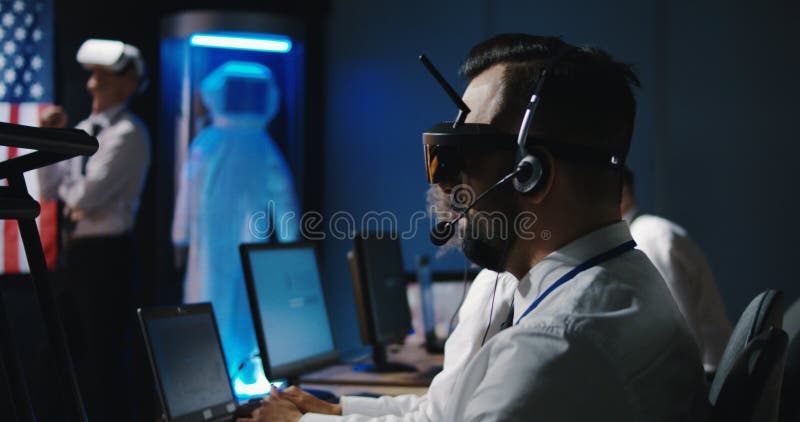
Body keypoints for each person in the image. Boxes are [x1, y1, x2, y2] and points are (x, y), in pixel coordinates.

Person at [243, 34, 709, 421]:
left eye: (461, 155)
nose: (443, 181)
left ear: (532, 174)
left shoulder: (559, 347)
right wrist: (335, 411)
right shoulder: (610, 286)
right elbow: (447, 414)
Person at [38, 39, 150, 419]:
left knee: (106, 357)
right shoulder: (83, 129)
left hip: (109, 255)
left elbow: (88, 197)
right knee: (63, 355)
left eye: (105, 74)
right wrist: (52, 142)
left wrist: (74, 198)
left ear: (129, 84)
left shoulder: (129, 134)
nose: (94, 82)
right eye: (93, 74)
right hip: (77, 255)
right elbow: (49, 188)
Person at [171, 61, 301, 390]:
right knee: (241, 305)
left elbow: (188, 192)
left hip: (211, 246)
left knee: (215, 302)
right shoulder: (259, 144)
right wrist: (290, 240)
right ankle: (241, 374)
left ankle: (219, 379)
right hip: (246, 243)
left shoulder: (208, 142)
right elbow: (282, 194)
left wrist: (181, 238)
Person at [621, 167, 732, 372]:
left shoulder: (647, 239)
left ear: (621, 191)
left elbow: (682, 347)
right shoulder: (647, 234)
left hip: (706, 385)